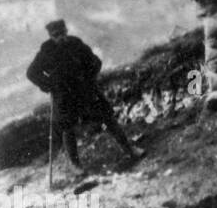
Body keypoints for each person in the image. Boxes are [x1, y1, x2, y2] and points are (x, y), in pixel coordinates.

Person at [26, 19, 144, 175]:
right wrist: (49, 85)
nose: (60, 37)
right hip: (64, 95)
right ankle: (75, 165)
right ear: (50, 36)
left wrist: (90, 75)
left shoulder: (75, 43)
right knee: (67, 128)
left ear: (66, 31)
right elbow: (31, 73)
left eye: (62, 33)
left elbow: (95, 60)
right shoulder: (46, 51)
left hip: (85, 90)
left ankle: (129, 149)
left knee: (107, 117)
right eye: (56, 35)